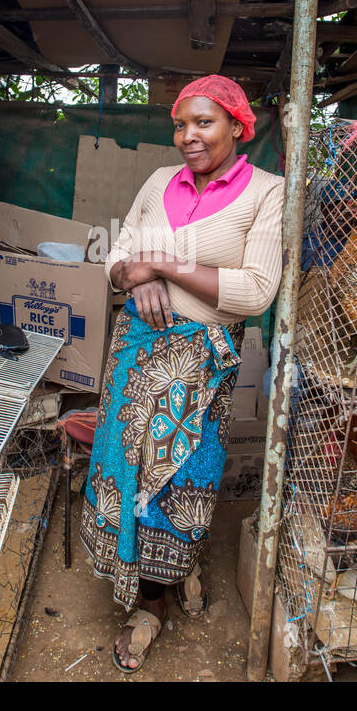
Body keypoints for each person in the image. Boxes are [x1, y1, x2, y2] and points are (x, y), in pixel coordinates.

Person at [85, 75, 285, 673]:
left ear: (236, 126)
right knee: (125, 474)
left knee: (178, 484)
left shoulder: (267, 192)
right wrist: (136, 275)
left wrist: (164, 264)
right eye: (181, 124)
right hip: (135, 355)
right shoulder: (157, 182)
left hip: (201, 365)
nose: (189, 136)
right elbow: (115, 258)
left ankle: (170, 579)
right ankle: (145, 606)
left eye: (205, 123)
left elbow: (256, 289)